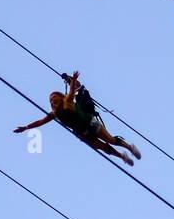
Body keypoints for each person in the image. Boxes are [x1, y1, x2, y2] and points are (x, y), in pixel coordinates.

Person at [13, 71, 143, 165]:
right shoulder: (54, 113)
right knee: (102, 147)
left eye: (54, 97)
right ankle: (122, 157)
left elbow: (70, 93)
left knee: (109, 139)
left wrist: (73, 80)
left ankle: (129, 147)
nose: (52, 101)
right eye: (50, 100)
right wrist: (26, 127)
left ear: (60, 97)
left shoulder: (67, 102)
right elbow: (40, 122)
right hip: (82, 133)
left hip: (90, 123)